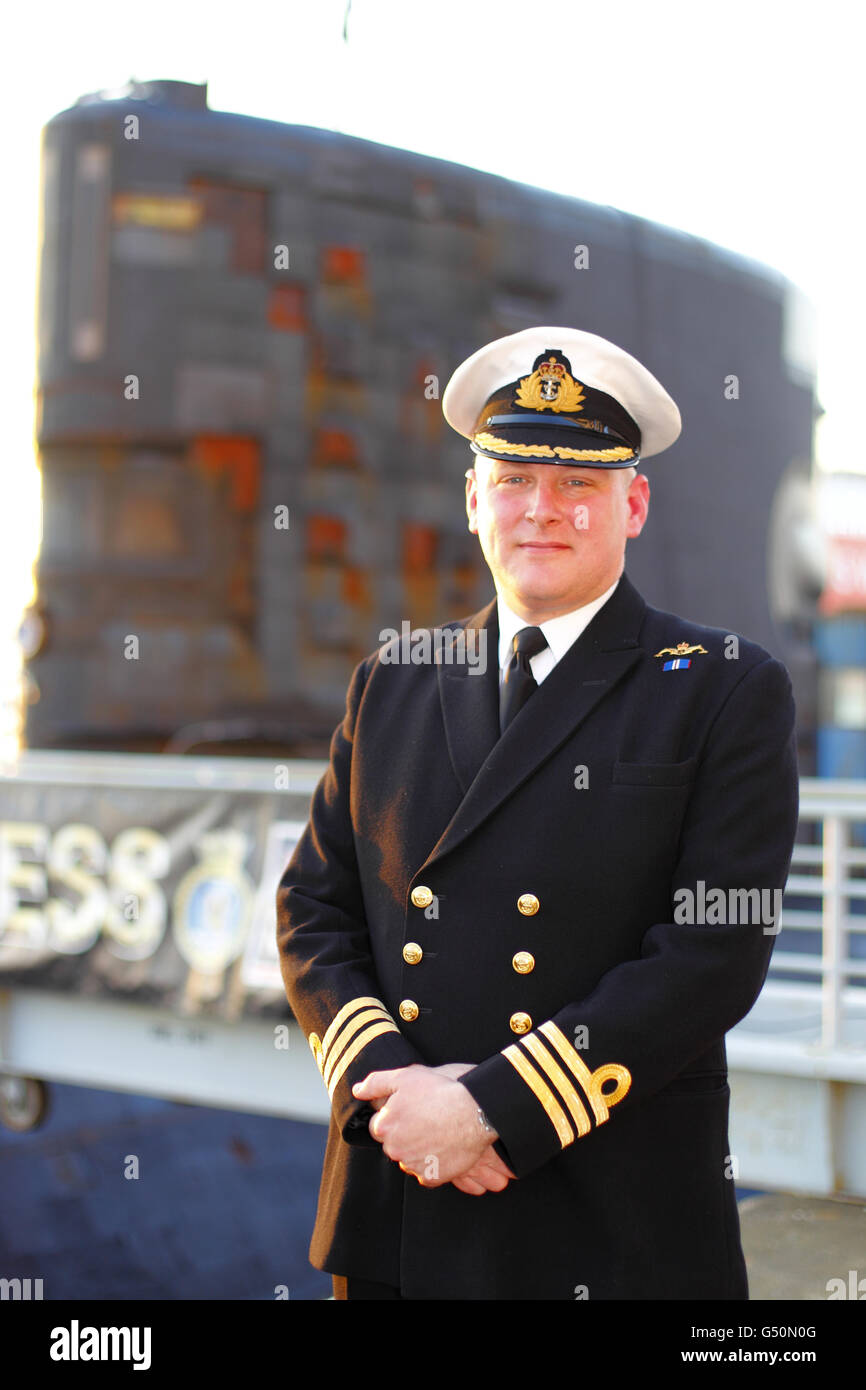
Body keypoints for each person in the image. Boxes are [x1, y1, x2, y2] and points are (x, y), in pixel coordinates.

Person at [276, 326, 800, 1301]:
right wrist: (396, 1096)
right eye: (512, 478)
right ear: (473, 498)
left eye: (578, 486)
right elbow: (313, 907)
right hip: (401, 1203)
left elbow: (710, 953)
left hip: (603, 1217)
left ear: (631, 504)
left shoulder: (721, 689)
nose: (541, 510)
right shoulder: (392, 679)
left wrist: (489, 1110)